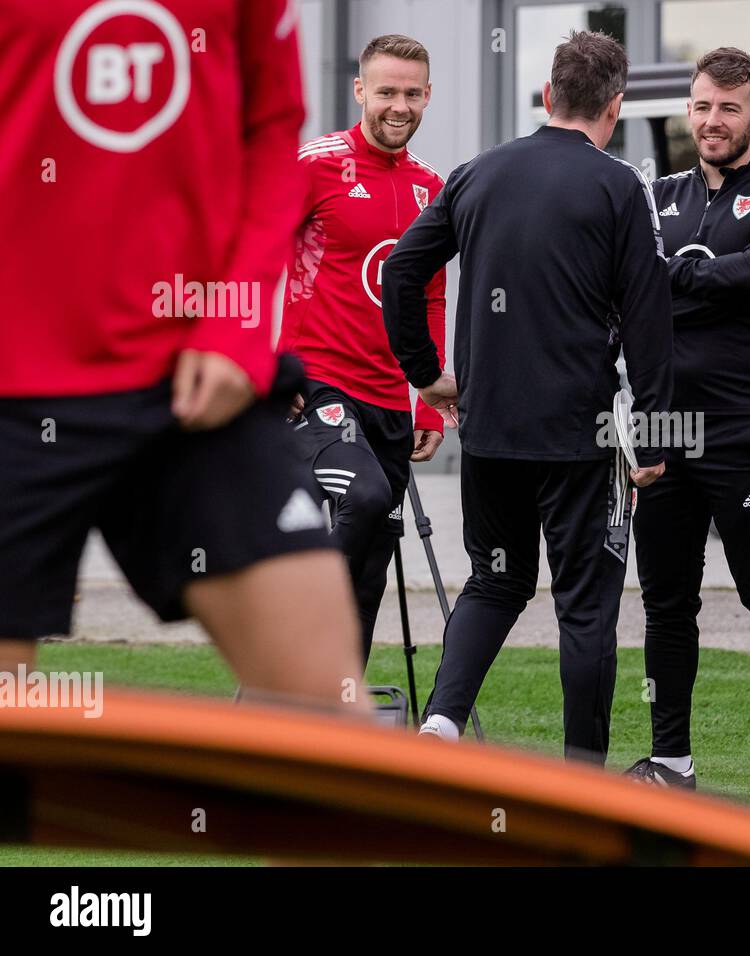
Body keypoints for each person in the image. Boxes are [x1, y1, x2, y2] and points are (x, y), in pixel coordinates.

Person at [0, 0, 364, 710]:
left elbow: (271, 132)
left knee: (331, 724)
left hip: (196, 385)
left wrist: (234, 325)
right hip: (13, 396)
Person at [381, 30, 673, 763]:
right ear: (615, 107)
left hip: (489, 431)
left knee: (494, 582)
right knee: (585, 608)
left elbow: (399, 274)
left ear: (548, 96)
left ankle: (441, 724)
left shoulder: (478, 172)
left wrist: (427, 374)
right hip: (580, 437)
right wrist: (660, 437)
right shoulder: (618, 186)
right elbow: (648, 323)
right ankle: (581, 778)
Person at [623, 48, 750, 801]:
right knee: (667, 602)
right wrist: (698, 283)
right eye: (702, 106)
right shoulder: (652, 191)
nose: (712, 121)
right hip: (665, 431)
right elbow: (626, 286)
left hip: (749, 427)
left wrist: (663, 277)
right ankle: (671, 760)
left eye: (729, 108)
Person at [282, 34, 448, 664]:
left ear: (428, 95)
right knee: (366, 497)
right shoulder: (316, 163)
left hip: (390, 400)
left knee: (373, 564)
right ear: (361, 91)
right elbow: (253, 257)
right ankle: (292, 631)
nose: (398, 105)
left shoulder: (433, 189)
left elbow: (430, 299)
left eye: (411, 93)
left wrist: (430, 400)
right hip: (317, 384)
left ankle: (332, 708)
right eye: (386, 92)